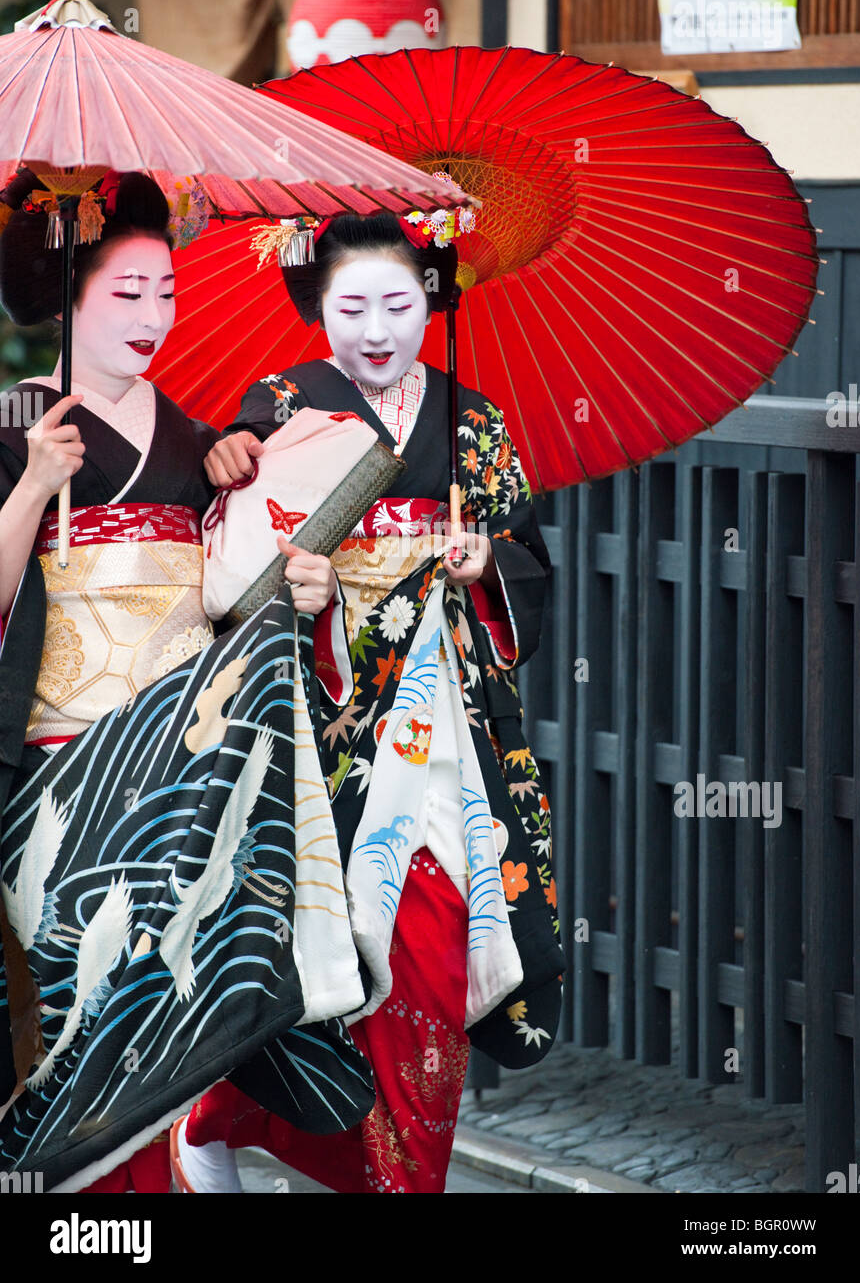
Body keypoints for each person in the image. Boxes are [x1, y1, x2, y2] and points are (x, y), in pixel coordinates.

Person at [174, 209, 564, 1194]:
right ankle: (226, 1112)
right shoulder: (281, 406)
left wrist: (488, 559)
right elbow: (226, 572)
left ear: (431, 301)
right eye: (351, 306)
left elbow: (532, 566)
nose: (376, 328)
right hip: (325, 732)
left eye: (398, 301)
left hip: (441, 735)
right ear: (319, 308)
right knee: (314, 955)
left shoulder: (473, 424)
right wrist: (229, 469)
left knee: (429, 951)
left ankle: (405, 1178)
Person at [0, 171, 371, 1192]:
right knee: (85, 1006)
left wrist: (295, 579)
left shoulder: (204, 443)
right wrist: (33, 480)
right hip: (59, 771)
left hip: (176, 769)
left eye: (166, 291)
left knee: (170, 999)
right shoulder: (15, 428)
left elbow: (227, 607)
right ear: (67, 295)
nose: (153, 316)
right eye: (126, 293)